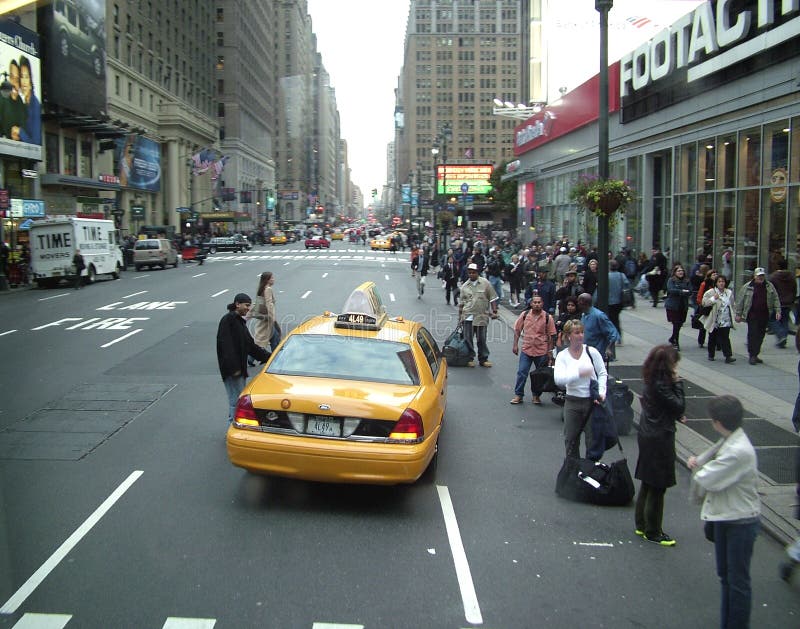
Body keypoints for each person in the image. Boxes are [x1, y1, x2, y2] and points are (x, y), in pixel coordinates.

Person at [688, 396, 760, 629]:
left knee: (736, 582)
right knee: (727, 578)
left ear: (718, 422)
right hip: (727, 516)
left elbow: (706, 478)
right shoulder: (730, 439)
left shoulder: (738, 451)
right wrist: (698, 461)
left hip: (739, 521)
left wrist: (696, 466)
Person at [634, 344, 686, 546]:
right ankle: (653, 530)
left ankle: (641, 523)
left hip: (648, 432)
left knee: (648, 481)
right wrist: (678, 382)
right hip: (660, 436)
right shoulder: (663, 384)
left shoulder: (650, 380)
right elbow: (679, 405)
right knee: (658, 485)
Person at [553, 319, 607, 459]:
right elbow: (559, 380)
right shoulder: (562, 356)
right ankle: (573, 471)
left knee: (592, 441)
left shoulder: (591, 352)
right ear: (569, 336)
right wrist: (578, 373)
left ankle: (591, 472)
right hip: (572, 402)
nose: (581, 336)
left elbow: (602, 373)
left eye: (582, 332)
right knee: (571, 440)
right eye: (577, 333)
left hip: (591, 402)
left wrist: (601, 392)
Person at [216, 293, 270, 423]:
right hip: (233, 370)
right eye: (246, 305)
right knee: (236, 400)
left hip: (239, 369)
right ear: (237, 304)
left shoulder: (238, 321)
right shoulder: (228, 320)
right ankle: (233, 426)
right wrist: (234, 369)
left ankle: (235, 425)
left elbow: (250, 346)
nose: (248, 308)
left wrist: (270, 357)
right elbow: (226, 346)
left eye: (249, 305)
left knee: (238, 399)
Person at [510, 295, 556, 405]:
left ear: (542, 303)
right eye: (534, 302)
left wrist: (550, 352)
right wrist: (515, 345)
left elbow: (551, 335)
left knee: (539, 375)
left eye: (539, 302)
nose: (537, 304)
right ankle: (518, 395)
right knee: (522, 372)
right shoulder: (525, 315)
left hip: (541, 350)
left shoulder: (547, 317)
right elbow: (517, 330)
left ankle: (536, 396)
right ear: (531, 304)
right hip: (527, 349)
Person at [735, 267, 781, 365]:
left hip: (764, 315)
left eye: (762, 276)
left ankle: (756, 354)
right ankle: (752, 355)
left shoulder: (769, 286)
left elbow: (776, 298)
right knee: (752, 334)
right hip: (752, 315)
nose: (761, 277)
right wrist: (738, 314)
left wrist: (778, 311)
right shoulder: (747, 287)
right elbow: (740, 301)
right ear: (754, 276)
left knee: (761, 335)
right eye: (759, 276)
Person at [458, 262, 498, 368]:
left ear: (477, 273)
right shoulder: (464, 286)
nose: (471, 274)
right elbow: (461, 304)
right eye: (470, 273)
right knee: (468, 339)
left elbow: (493, 298)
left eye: (473, 272)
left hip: (481, 316)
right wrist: (460, 318)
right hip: (468, 316)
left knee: (481, 339)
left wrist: (494, 311)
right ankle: (469, 358)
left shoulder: (486, 283)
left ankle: (483, 358)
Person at [701, 274, 737, 363]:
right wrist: (713, 298)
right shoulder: (710, 292)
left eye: (723, 281)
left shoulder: (729, 293)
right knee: (712, 337)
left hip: (725, 319)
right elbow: (704, 303)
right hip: (714, 319)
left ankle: (728, 356)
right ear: (716, 283)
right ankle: (711, 354)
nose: (721, 283)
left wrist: (736, 314)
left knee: (725, 338)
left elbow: (732, 305)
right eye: (719, 282)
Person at [577, 292, 620, 360]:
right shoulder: (584, 315)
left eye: (578, 302)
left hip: (597, 353)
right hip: (586, 352)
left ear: (583, 303)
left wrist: (609, 348)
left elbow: (613, 333)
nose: (577, 304)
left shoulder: (599, 316)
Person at [248, 271, 281, 358]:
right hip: (268, 318)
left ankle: (253, 357)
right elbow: (269, 304)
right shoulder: (268, 289)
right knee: (274, 337)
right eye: (272, 278)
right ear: (267, 280)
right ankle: (275, 357)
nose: (273, 280)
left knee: (271, 337)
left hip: (264, 318)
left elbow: (257, 302)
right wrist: (272, 318)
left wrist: (250, 313)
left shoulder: (261, 288)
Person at [769, 259, 796, 348]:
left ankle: (781, 335)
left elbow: (771, 291)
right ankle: (783, 338)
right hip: (788, 302)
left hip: (778, 302)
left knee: (772, 320)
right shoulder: (791, 277)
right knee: (784, 320)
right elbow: (794, 289)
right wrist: (792, 299)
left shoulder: (774, 277)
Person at [665, 264, 692, 351]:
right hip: (673, 306)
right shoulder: (671, 280)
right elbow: (671, 290)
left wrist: (683, 291)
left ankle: (672, 338)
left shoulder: (687, 281)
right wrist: (682, 291)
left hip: (683, 306)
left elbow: (690, 291)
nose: (681, 272)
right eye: (679, 271)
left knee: (680, 324)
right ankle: (676, 342)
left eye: (682, 271)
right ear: (675, 272)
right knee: (676, 323)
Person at [14, 56, 40, 145]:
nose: (24, 81)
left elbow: (36, 143)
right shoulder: (24, 103)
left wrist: (19, 132)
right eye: (21, 76)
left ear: (30, 78)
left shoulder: (35, 105)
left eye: (27, 76)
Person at [607, 259, 629, 342]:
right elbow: (627, 286)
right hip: (619, 301)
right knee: (616, 319)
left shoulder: (607, 276)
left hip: (609, 301)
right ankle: (618, 336)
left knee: (611, 320)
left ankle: (615, 336)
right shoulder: (621, 275)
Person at [697, 268, 719, 349]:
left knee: (714, 326)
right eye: (713, 275)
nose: (715, 276)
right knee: (703, 326)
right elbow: (700, 296)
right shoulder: (704, 284)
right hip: (706, 307)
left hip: (715, 308)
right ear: (709, 276)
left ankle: (715, 342)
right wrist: (701, 305)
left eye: (716, 274)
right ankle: (701, 341)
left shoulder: (718, 285)